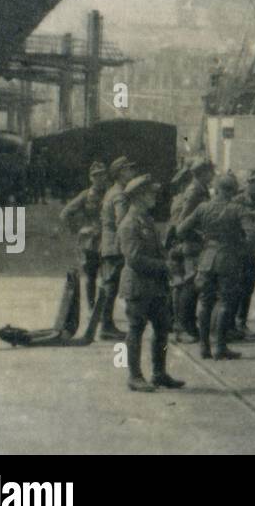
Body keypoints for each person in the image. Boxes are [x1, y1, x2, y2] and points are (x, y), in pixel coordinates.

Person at [117, 175, 184, 393]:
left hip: (153, 285)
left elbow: (154, 250)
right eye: (149, 193)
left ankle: (159, 373)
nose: (154, 196)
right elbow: (134, 259)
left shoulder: (146, 219)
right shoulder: (129, 224)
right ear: (138, 197)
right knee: (136, 329)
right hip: (138, 285)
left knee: (162, 329)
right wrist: (164, 266)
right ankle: (134, 376)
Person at [177, 173, 249, 361]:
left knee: (205, 301)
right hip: (228, 259)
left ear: (216, 189)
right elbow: (252, 234)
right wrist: (240, 248)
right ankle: (220, 346)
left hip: (207, 258)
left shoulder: (203, 207)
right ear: (233, 191)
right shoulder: (237, 209)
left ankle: (203, 346)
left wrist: (203, 238)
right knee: (225, 301)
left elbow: (180, 229)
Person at [168, 159, 213, 343]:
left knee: (191, 285)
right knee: (190, 285)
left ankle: (187, 325)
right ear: (203, 173)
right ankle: (183, 327)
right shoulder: (195, 191)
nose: (212, 175)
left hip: (193, 243)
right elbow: (184, 221)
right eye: (210, 172)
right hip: (191, 243)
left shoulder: (199, 188)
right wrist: (201, 234)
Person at [94, 156, 137, 341]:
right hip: (115, 245)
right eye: (128, 170)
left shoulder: (113, 191)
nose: (132, 173)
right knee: (111, 286)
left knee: (109, 285)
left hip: (109, 243)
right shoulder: (120, 194)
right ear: (120, 173)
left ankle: (106, 325)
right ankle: (106, 326)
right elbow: (122, 221)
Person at [60, 161, 108, 309]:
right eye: (96, 176)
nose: (99, 178)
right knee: (91, 276)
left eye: (102, 175)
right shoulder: (86, 195)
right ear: (90, 178)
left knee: (108, 277)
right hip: (91, 242)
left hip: (107, 239)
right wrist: (80, 228)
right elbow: (65, 213)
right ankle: (91, 307)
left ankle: (105, 311)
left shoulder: (111, 193)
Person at [233, 169, 255, 334]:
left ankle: (241, 321)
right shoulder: (237, 201)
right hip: (240, 251)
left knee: (249, 287)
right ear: (248, 183)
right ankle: (232, 323)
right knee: (237, 287)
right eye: (254, 182)